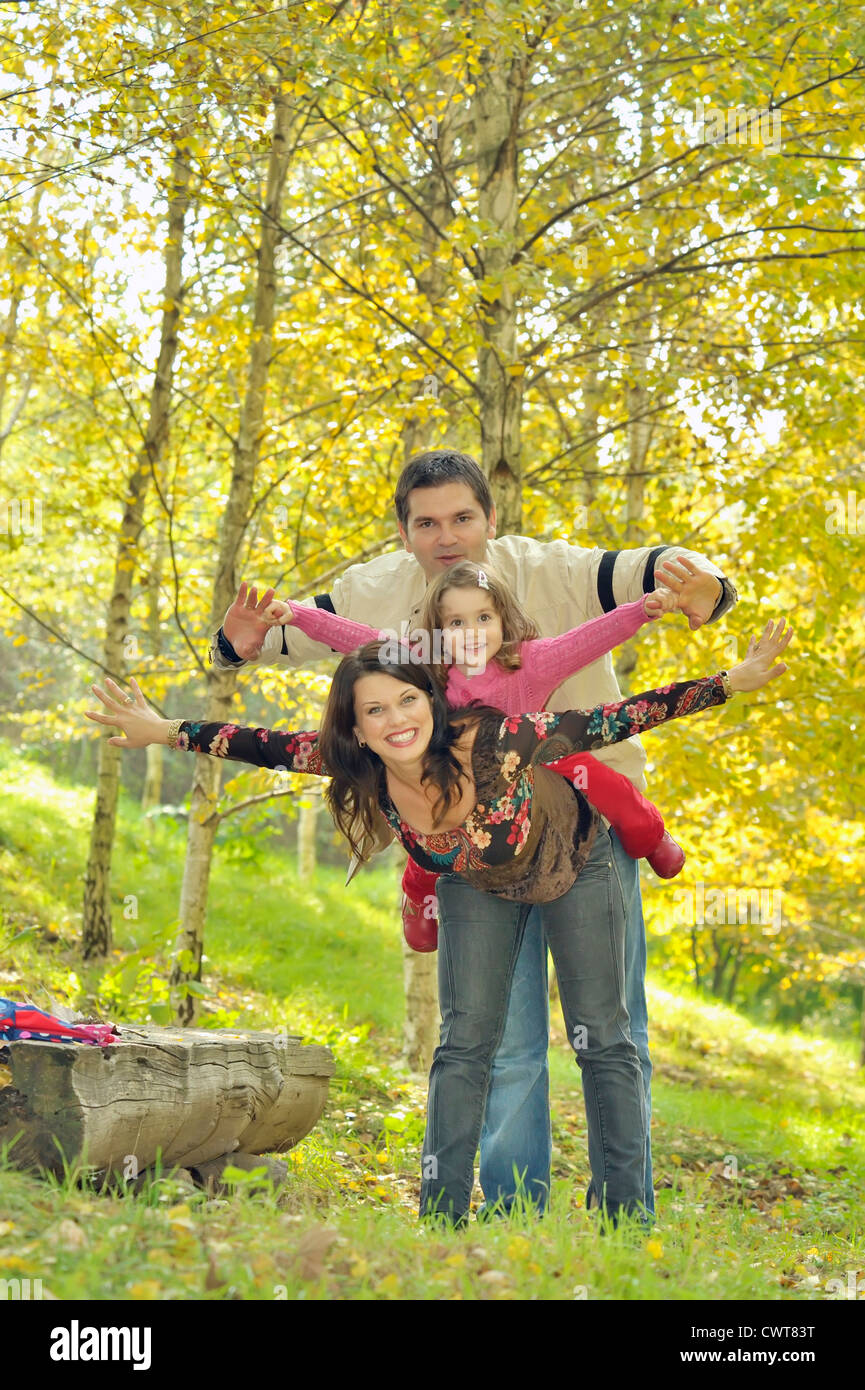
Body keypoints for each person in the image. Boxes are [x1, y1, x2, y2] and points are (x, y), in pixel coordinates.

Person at [85, 617, 791, 1226]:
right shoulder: (349, 760)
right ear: (353, 727)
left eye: (406, 700)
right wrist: (163, 730)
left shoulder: (502, 740)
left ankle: (623, 1218)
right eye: (374, 711)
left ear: (430, 699)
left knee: (602, 1040)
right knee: (463, 1047)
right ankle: (443, 1216)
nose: (395, 721)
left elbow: (623, 716)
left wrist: (731, 680)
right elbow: (257, 742)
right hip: (477, 877)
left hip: (579, 860)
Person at [207, 449, 739, 1219]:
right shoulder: (375, 589)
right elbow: (280, 631)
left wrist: (706, 588)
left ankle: (625, 1211)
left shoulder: (547, 568)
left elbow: (648, 571)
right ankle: (512, 1209)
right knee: (503, 1039)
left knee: (608, 1033)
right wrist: (236, 638)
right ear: (404, 529)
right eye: (426, 523)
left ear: (490, 518)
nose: (446, 536)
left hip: (583, 825)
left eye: (462, 517)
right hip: (468, 837)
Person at [254, 559, 688, 953]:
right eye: (457, 622)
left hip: (532, 759)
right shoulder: (426, 662)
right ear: (437, 631)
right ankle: (420, 893)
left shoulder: (530, 660)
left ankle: (649, 835)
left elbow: (589, 639)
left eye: (484, 617)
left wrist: (640, 611)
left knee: (595, 773)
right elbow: (360, 639)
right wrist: (300, 615)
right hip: (457, 773)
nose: (473, 632)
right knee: (431, 817)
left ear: (504, 619)